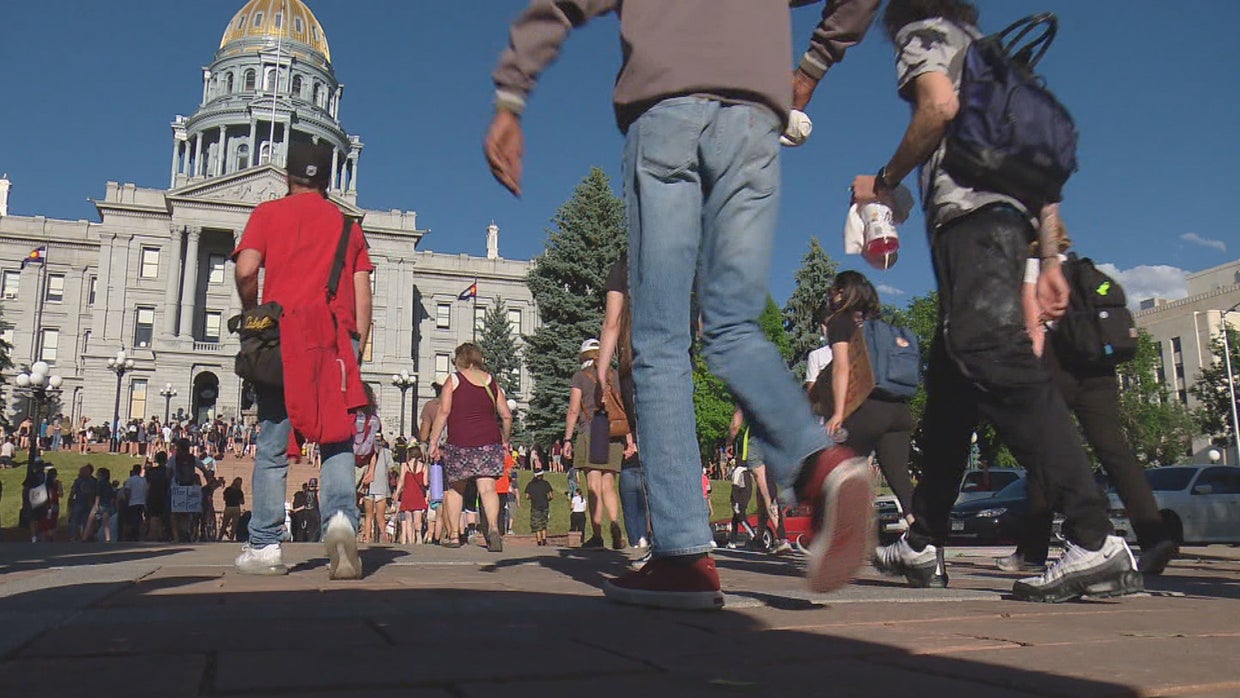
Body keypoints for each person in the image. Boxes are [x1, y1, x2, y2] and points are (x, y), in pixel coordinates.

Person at [487, 0, 879, 609]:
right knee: (733, 327)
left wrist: (511, 98)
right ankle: (821, 461)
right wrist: (812, 66)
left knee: (662, 342)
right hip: (753, 122)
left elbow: (560, 8)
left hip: (668, 109)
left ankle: (684, 558)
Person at [865, 0, 1140, 602]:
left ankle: (1094, 538)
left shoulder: (925, 32)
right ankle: (922, 542)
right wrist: (1049, 257)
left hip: (971, 223)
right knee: (950, 392)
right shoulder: (991, 55)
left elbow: (938, 107)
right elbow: (1038, 168)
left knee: (994, 354)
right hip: (1011, 223)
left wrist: (883, 182)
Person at [232, 140, 374, 578]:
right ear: (327, 180)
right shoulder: (348, 226)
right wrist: (358, 347)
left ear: (286, 175)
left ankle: (265, 545)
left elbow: (245, 269)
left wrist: (253, 311)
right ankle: (340, 523)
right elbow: (363, 293)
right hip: (336, 338)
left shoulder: (267, 214)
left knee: (273, 443)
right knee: (337, 439)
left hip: (284, 336)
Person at [998, 233, 1178, 576]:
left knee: (1046, 453)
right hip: (1099, 366)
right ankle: (1155, 538)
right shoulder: (1084, 270)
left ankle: (1033, 550)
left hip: (1058, 365)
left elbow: (1034, 329)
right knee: (1116, 454)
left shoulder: (1034, 270)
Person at [823, 271, 916, 519]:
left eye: (832, 291)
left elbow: (842, 367)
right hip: (898, 410)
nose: (830, 296)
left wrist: (838, 413)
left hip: (866, 409)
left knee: (837, 474)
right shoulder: (881, 326)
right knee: (901, 481)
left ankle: (840, 535)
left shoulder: (840, 322)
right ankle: (924, 537)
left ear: (842, 293)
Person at [427, 342, 514, 553]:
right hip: (489, 443)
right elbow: (506, 415)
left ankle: (454, 535)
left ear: (459, 360)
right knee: (488, 488)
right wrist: (504, 440)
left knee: (456, 489)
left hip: (460, 443)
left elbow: (444, 411)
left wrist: (433, 441)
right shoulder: (491, 381)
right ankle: (493, 529)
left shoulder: (454, 380)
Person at [597, 253, 649, 549]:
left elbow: (612, 322)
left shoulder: (625, 264)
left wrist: (603, 371)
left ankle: (639, 539)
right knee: (670, 451)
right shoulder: (680, 252)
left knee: (635, 458)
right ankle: (681, 543)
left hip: (635, 364)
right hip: (674, 363)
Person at [563, 338, 626, 550]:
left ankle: (597, 534)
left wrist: (567, 439)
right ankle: (615, 524)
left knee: (593, 485)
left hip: (591, 432)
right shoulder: (614, 376)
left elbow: (573, 409)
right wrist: (629, 440)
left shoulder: (581, 377)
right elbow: (622, 406)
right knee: (609, 485)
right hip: (614, 433)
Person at [360, 435, 394, 544]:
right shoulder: (386, 453)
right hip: (381, 486)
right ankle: (384, 538)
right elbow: (391, 468)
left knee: (368, 515)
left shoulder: (367, 452)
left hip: (368, 486)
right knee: (380, 516)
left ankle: (367, 539)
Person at [392, 446, 429, 544]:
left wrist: (397, 493)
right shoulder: (424, 467)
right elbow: (425, 483)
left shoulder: (405, 465)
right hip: (418, 495)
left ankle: (410, 540)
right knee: (418, 519)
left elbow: (401, 481)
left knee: (408, 519)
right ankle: (418, 536)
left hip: (407, 494)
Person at [144, 452, 171, 541]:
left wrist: (146, 497)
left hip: (152, 495)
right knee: (161, 516)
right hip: (164, 495)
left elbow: (147, 485)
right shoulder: (168, 471)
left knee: (153, 516)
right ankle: (158, 535)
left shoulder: (151, 471)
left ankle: (153, 535)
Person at [84, 468, 117, 543]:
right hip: (107, 505)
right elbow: (112, 495)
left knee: (90, 520)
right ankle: (108, 538)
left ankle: (85, 537)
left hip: (100, 503)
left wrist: (96, 504)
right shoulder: (108, 484)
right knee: (106, 523)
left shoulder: (99, 483)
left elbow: (98, 495)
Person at [68, 465, 98, 542]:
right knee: (82, 520)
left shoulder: (79, 481)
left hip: (81, 502)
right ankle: (81, 536)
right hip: (83, 503)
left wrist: (70, 499)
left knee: (78, 520)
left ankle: (77, 536)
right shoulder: (92, 481)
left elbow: (73, 491)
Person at [525, 468, 553, 547]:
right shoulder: (546, 483)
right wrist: (547, 500)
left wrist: (532, 497)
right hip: (545, 505)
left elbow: (527, 496)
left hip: (535, 506)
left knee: (536, 524)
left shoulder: (530, 484)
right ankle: (544, 539)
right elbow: (551, 496)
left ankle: (539, 541)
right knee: (544, 523)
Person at [122, 464, 148, 541]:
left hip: (132, 502)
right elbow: (147, 491)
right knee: (140, 519)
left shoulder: (130, 480)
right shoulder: (144, 480)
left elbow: (127, 491)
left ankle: (131, 535)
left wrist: (127, 500)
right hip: (142, 502)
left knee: (131, 520)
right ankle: (138, 534)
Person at [220, 477, 245, 542]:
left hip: (228, 507)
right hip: (236, 508)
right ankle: (231, 538)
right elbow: (242, 502)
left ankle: (220, 537)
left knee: (225, 523)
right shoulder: (239, 492)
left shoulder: (227, 490)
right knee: (234, 525)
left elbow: (224, 498)